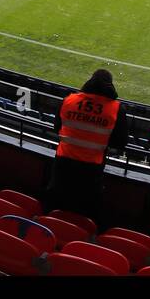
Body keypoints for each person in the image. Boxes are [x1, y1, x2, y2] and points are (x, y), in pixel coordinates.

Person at [44, 68, 128, 223]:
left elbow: (57, 128)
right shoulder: (116, 109)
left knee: (56, 202)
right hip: (91, 168)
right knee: (85, 209)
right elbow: (121, 143)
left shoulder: (69, 100)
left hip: (63, 163)